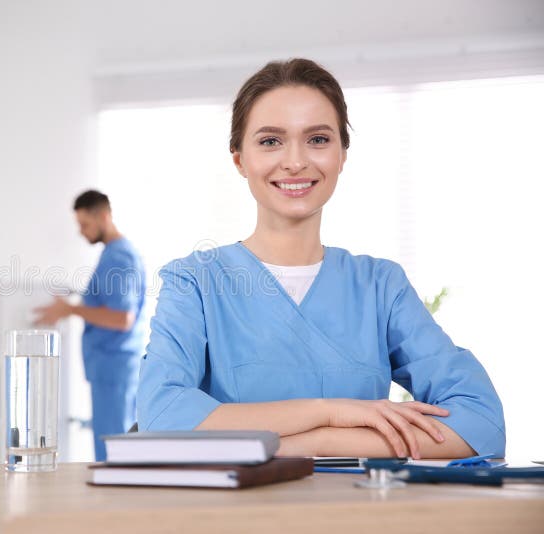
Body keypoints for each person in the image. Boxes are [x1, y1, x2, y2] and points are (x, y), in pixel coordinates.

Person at [137, 59, 505, 459]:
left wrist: (319, 442)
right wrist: (330, 412)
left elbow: (480, 423)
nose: (296, 161)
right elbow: (162, 417)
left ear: (342, 155)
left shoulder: (380, 286)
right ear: (239, 160)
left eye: (317, 139)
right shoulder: (194, 282)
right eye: (270, 141)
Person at [34, 190, 146, 461]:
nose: (81, 232)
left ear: (104, 217)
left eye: (84, 224)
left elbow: (122, 318)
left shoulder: (118, 258)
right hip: (113, 367)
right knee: (115, 442)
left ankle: (114, 503)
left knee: (114, 449)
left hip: (113, 366)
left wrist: (70, 309)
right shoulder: (116, 254)